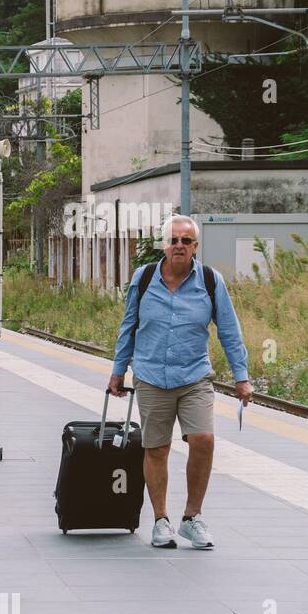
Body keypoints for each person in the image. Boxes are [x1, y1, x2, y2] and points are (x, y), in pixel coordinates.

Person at [109, 214, 251, 550]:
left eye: (186, 241)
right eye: (173, 240)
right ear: (164, 244)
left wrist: (242, 377)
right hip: (152, 375)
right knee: (156, 448)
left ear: (195, 247)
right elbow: (128, 326)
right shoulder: (144, 279)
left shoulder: (210, 281)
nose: (178, 246)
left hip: (194, 376)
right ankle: (161, 520)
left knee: (203, 439)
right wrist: (118, 370)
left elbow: (230, 331)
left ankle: (192, 517)